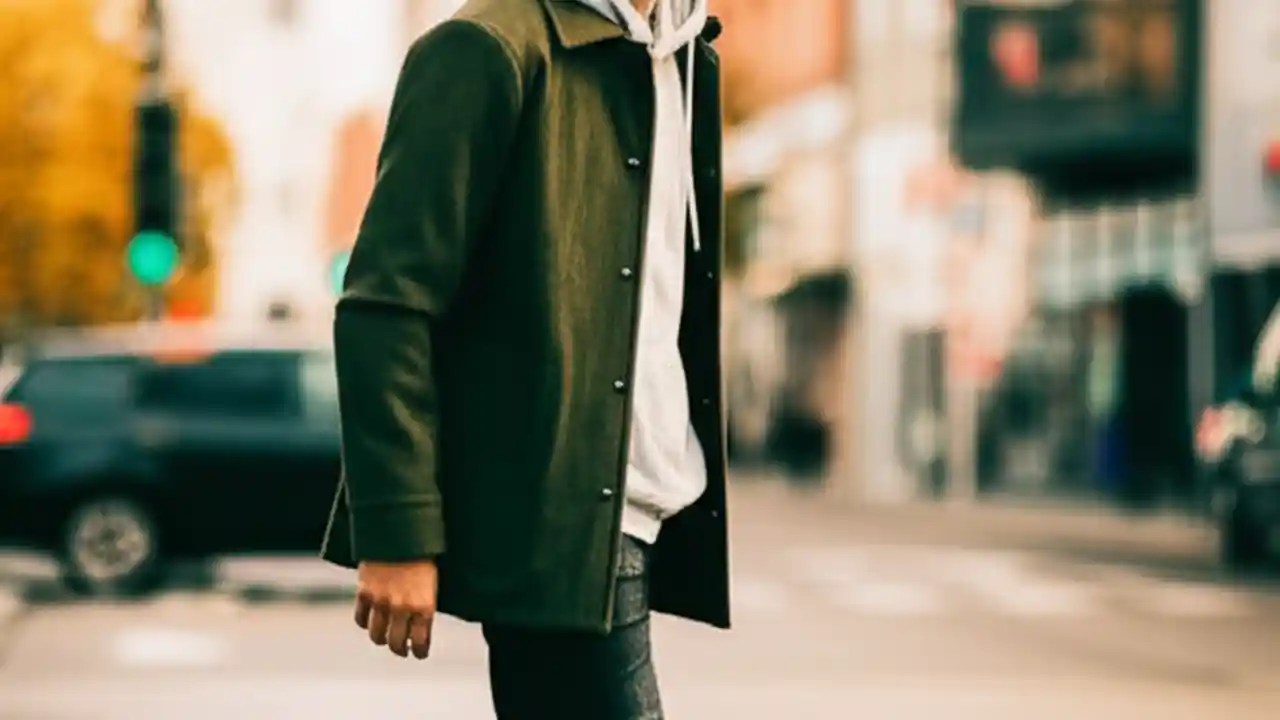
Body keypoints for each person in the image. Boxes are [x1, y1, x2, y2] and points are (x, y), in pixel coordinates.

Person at [318, 0, 730, 716]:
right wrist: (396, 530)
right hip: (561, 519)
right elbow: (386, 306)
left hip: (633, 512)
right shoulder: (484, 48)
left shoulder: (682, 56)